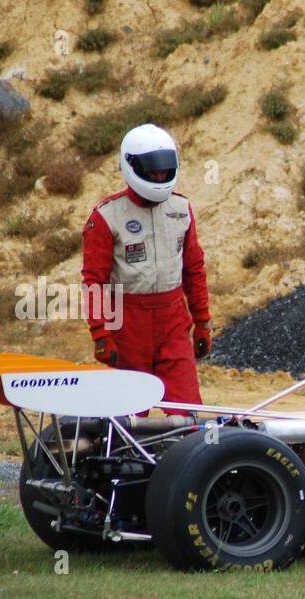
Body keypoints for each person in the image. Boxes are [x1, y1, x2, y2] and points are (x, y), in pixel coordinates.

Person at [81, 123, 211, 411]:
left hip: (174, 322)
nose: (160, 176)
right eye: (152, 171)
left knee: (188, 412)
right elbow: (94, 282)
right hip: (127, 325)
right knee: (126, 417)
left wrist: (202, 323)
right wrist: (101, 333)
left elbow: (194, 269)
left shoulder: (181, 210)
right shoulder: (106, 217)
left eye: (164, 170)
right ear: (132, 166)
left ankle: (181, 454)